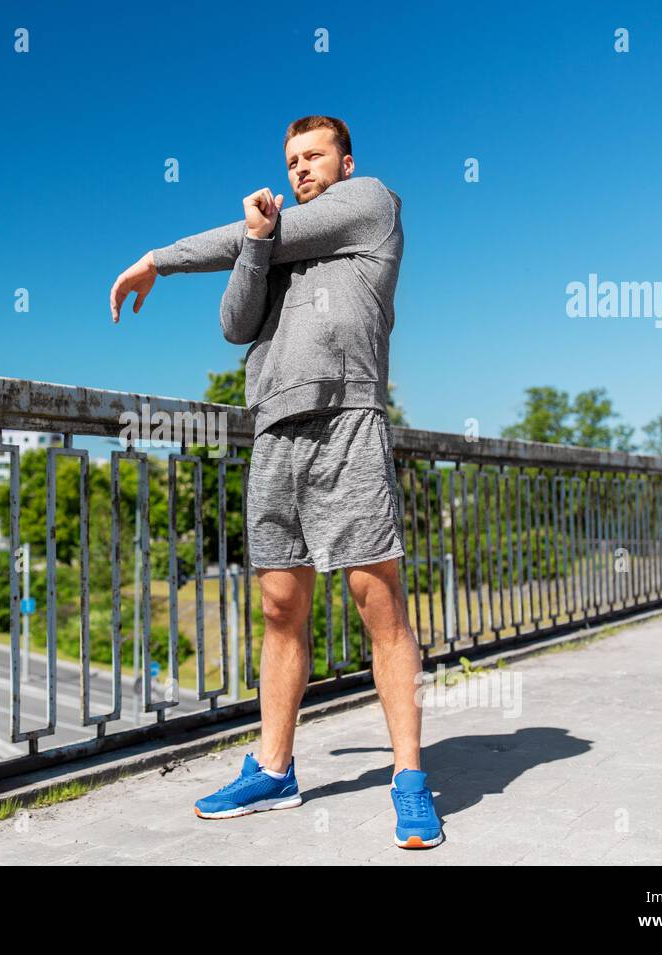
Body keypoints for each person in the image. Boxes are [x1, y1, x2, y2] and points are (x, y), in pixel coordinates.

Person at [109, 115, 442, 848]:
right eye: (291, 159)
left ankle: (411, 781)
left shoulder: (370, 205)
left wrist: (158, 260)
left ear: (344, 162)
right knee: (280, 606)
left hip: (347, 421)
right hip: (274, 433)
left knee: (375, 599)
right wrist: (256, 245)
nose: (300, 168)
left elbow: (252, 235)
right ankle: (273, 768)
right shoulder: (276, 240)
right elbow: (236, 324)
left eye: (313, 155)